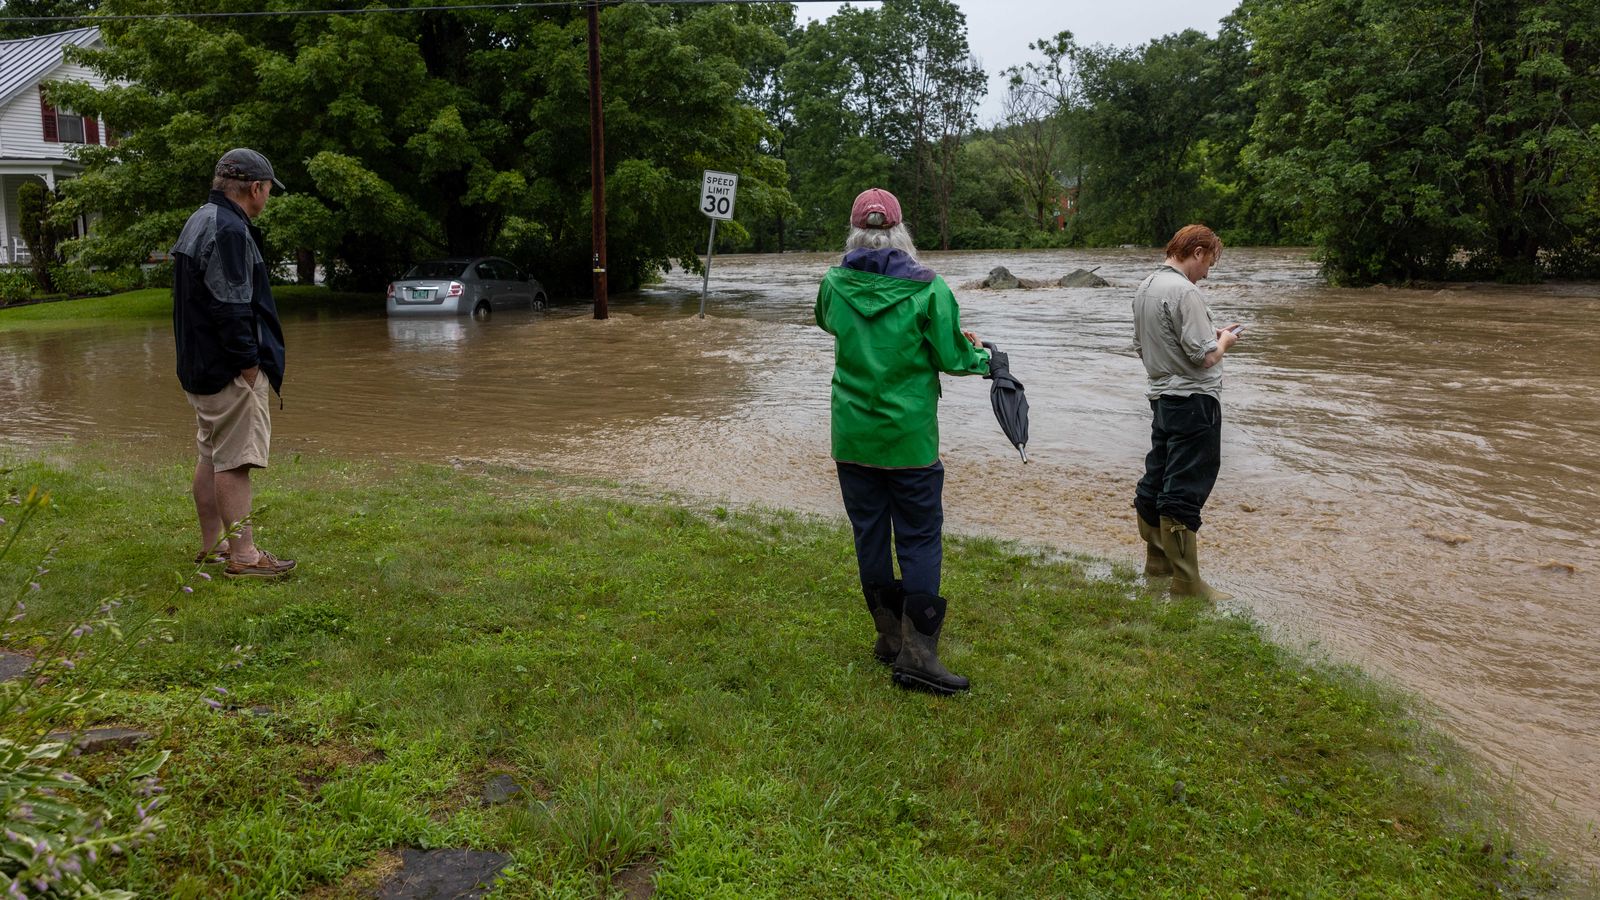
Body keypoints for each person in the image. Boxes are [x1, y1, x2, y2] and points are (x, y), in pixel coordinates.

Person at [814, 187, 991, 695]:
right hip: (909, 440)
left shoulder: (832, 283)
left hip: (852, 436)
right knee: (917, 536)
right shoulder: (929, 289)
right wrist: (983, 357)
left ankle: (889, 638)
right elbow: (953, 357)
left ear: (855, 231)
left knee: (868, 533)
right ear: (900, 232)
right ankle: (919, 655)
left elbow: (828, 322)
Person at [172, 148, 295, 579]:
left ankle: (214, 547)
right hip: (226, 371)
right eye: (268, 191)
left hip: (198, 366)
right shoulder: (228, 229)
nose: (267, 198)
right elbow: (231, 308)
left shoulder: (201, 218)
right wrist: (249, 368)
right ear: (256, 188)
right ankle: (243, 556)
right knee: (234, 461)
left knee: (211, 455)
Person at [1131, 224, 1240, 601]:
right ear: (1196, 252)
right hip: (1195, 402)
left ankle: (1157, 565)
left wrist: (1209, 334)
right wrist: (1224, 339)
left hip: (1162, 399)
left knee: (1157, 478)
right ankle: (1188, 585)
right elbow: (1205, 356)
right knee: (1186, 487)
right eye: (1209, 260)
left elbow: (1142, 345)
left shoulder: (1145, 287)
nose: (1209, 270)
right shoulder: (1184, 291)